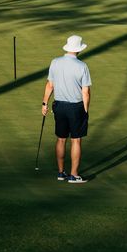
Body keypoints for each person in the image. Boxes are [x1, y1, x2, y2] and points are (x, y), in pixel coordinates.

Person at [42, 35, 92, 183]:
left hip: (59, 106)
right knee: (76, 141)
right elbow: (86, 92)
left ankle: (61, 172)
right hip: (76, 107)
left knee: (61, 139)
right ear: (78, 49)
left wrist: (44, 103)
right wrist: (86, 110)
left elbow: (50, 85)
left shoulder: (55, 62)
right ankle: (74, 175)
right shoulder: (82, 66)